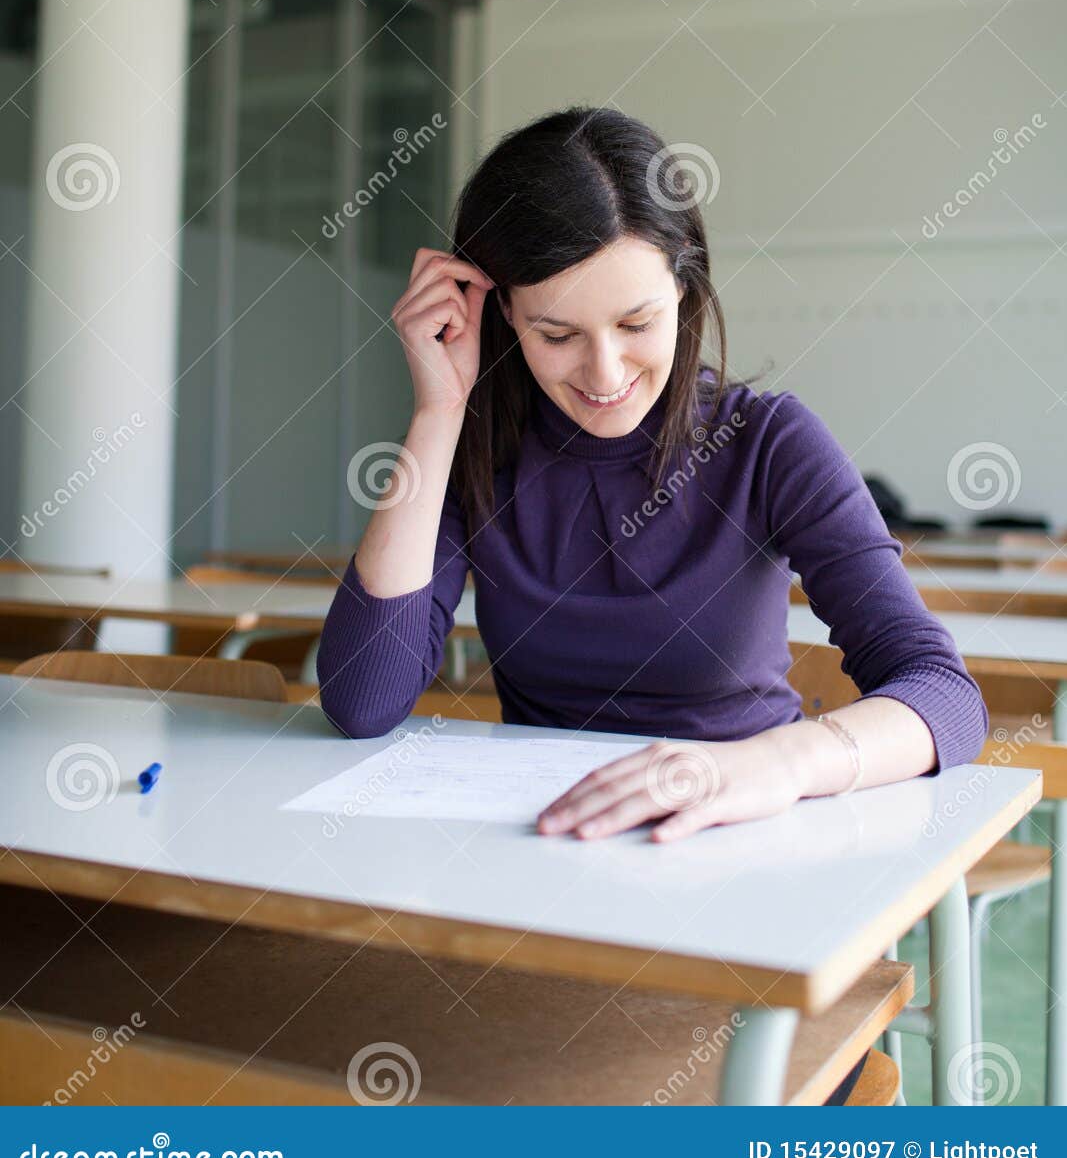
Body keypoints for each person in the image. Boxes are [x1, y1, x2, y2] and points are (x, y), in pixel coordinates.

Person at [318, 105, 988, 1099]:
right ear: (496, 312)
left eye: (636, 324)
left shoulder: (764, 441)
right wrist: (435, 412)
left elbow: (941, 692)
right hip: (550, 894)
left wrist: (772, 766)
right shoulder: (475, 451)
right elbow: (363, 698)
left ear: (685, 286)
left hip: (754, 888)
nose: (602, 373)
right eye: (555, 333)